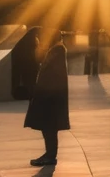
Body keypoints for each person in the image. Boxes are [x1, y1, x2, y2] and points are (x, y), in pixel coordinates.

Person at [24, 34, 71, 169]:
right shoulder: (55, 50)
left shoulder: (58, 50)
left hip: (51, 97)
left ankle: (50, 156)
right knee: (48, 127)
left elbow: (52, 74)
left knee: (49, 127)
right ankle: (49, 155)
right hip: (50, 96)